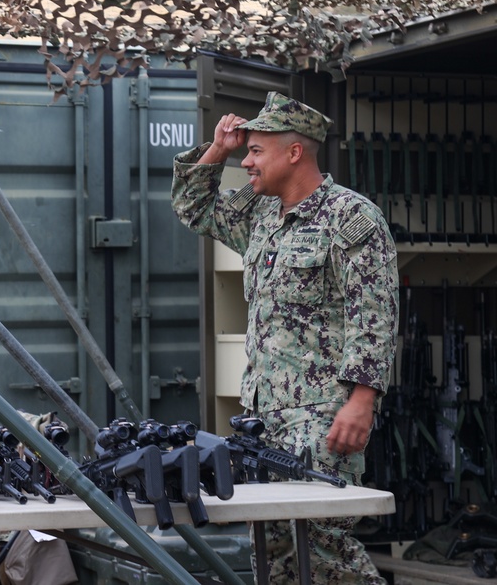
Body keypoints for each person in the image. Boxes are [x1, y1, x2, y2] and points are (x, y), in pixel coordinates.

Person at [170, 92, 398, 583]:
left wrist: (362, 401)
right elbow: (193, 207)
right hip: (262, 419)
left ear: (295, 152)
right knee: (271, 550)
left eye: (256, 151)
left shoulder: (350, 219)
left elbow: (374, 317)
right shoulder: (261, 216)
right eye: (246, 151)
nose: (247, 161)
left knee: (319, 547)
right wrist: (219, 151)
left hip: (320, 418)